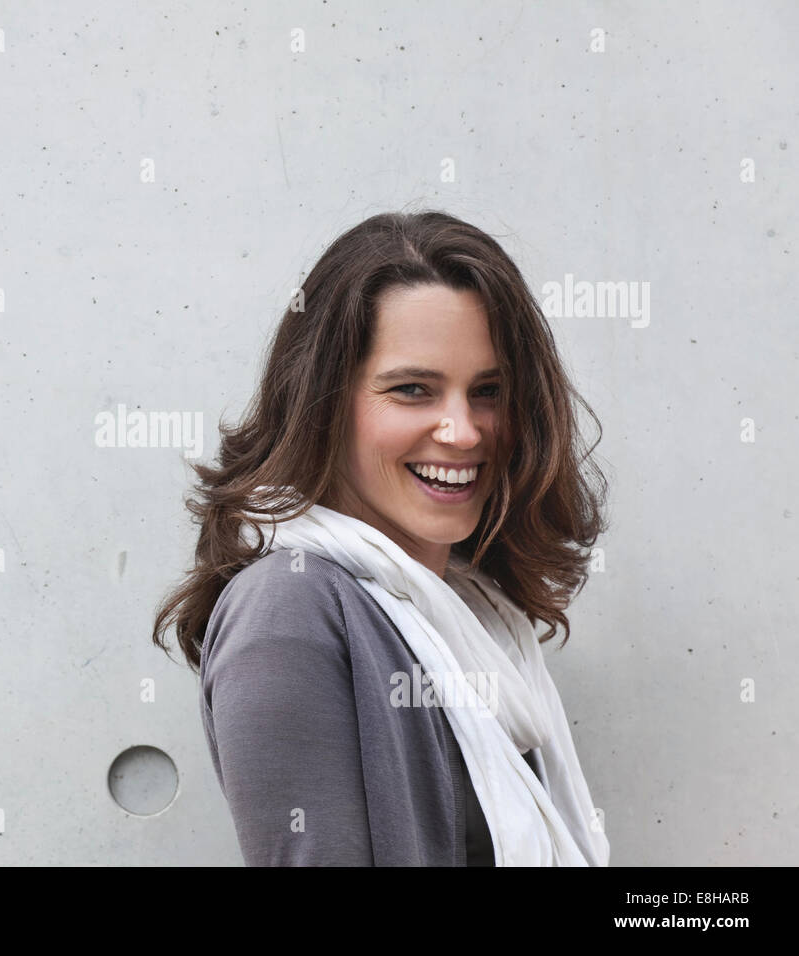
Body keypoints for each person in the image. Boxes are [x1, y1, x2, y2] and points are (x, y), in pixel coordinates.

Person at [152, 210, 612, 866]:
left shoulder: (472, 616)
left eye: (488, 391)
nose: (463, 431)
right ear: (326, 403)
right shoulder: (290, 609)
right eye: (414, 390)